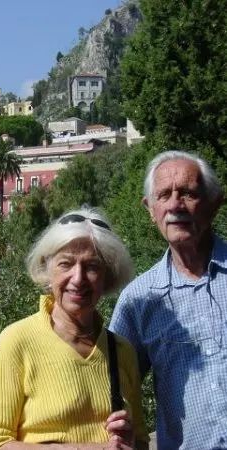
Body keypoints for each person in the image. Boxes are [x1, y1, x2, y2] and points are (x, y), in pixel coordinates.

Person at [0, 207, 149, 450]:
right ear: (47, 269)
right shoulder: (17, 341)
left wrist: (130, 442)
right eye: (66, 264)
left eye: (92, 267)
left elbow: (141, 441)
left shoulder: (122, 351)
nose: (78, 279)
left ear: (108, 275)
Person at [110, 150, 226, 449]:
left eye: (188, 193)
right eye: (164, 195)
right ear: (150, 209)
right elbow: (113, 387)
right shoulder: (139, 300)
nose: (175, 205)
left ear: (214, 205)